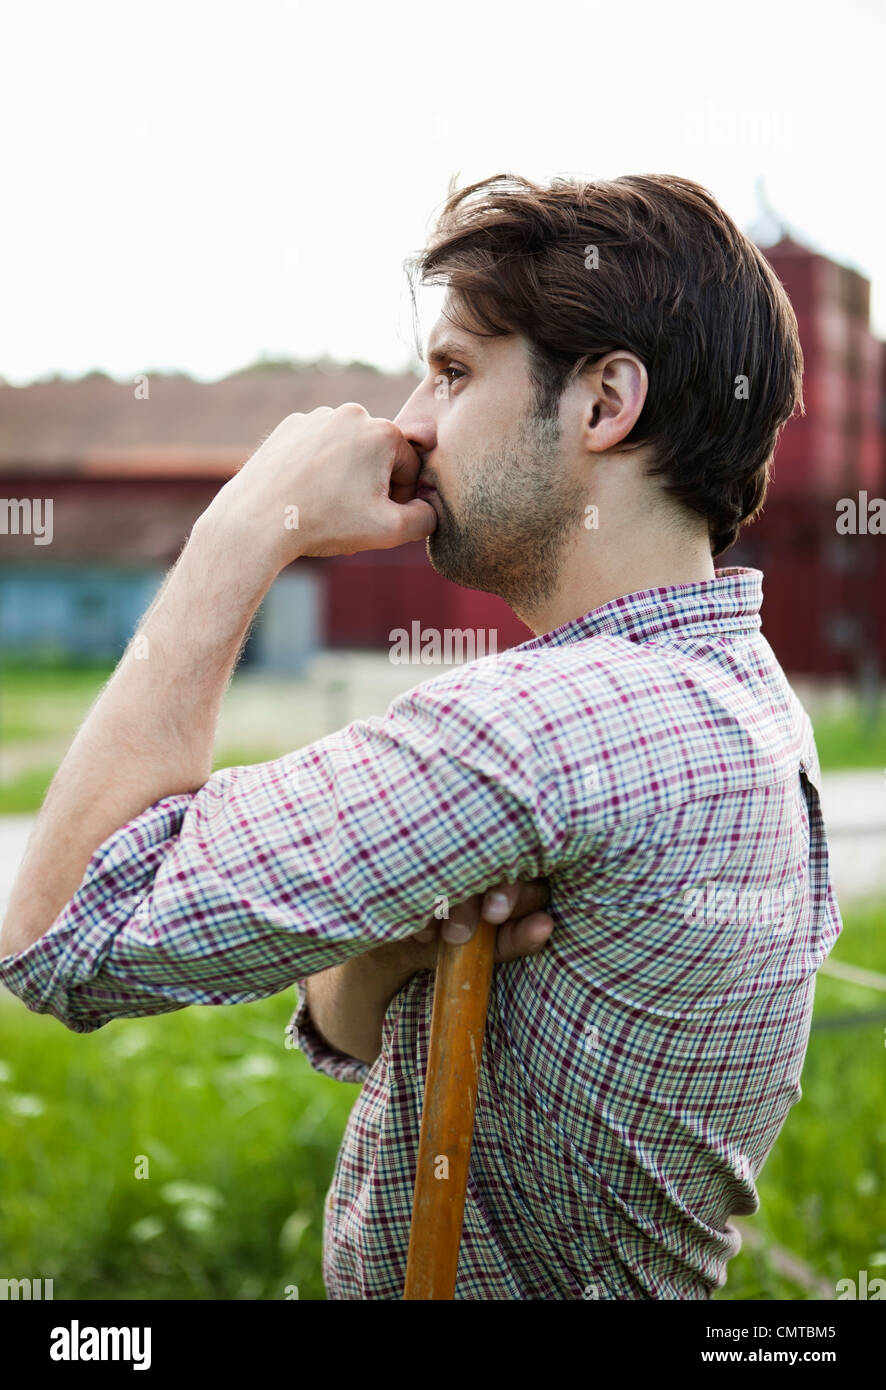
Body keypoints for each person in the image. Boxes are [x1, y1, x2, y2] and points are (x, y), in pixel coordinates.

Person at [0, 172, 841, 1300]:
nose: (410, 420)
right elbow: (364, 1021)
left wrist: (244, 530)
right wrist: (385, 955)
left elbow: (60, 933)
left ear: (603, 403)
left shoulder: (548, 728)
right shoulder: (740, 695)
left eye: (452, 371)